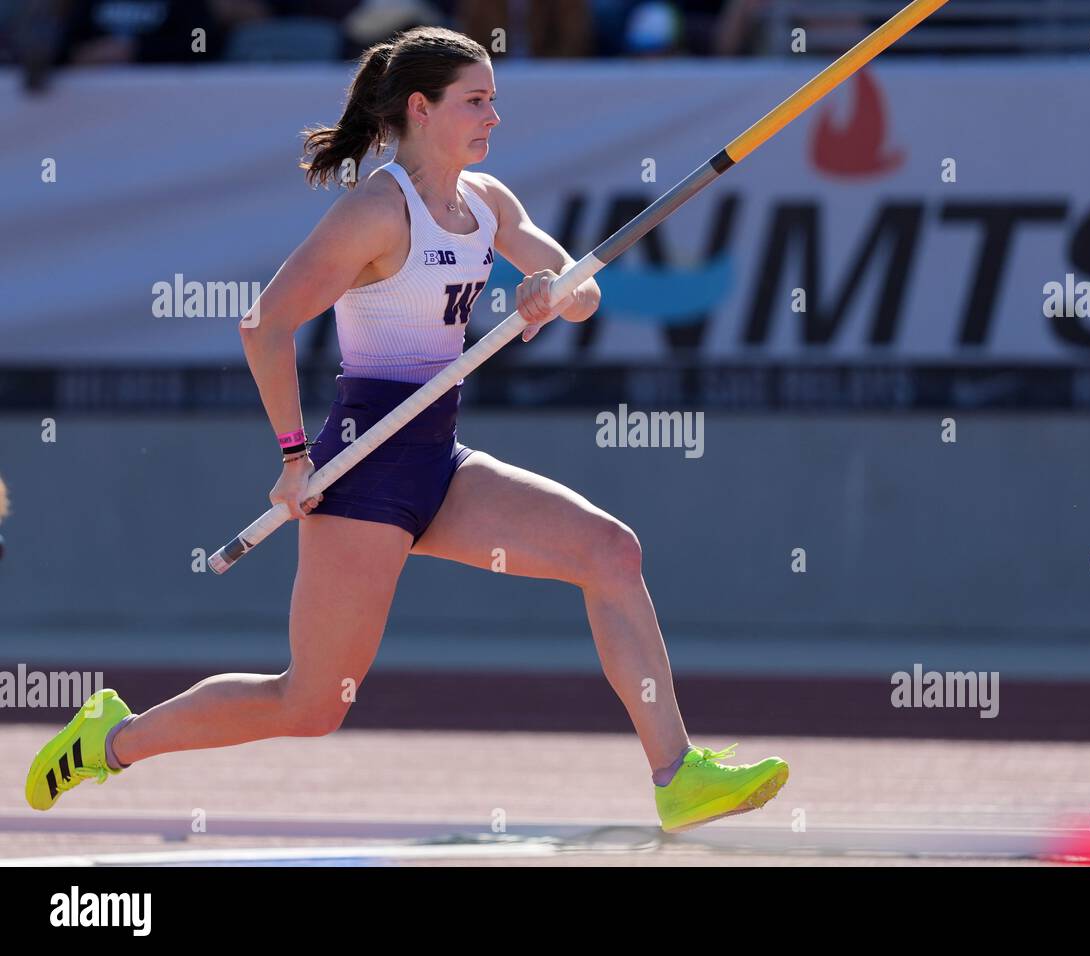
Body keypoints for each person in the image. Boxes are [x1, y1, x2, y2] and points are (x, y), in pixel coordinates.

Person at [25, 25, 788, 833]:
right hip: (360, 471)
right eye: (477, 100)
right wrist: (292, 457)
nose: (495, 115)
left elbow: (582, 287)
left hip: (437, 458)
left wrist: (546, 292)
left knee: (611, 552)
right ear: (422, 109)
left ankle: (677, 775)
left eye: (495, 97)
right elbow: (263, 326)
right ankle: (112, 739)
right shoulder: (376, 213)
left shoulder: (489, 202)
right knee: (311, 703)